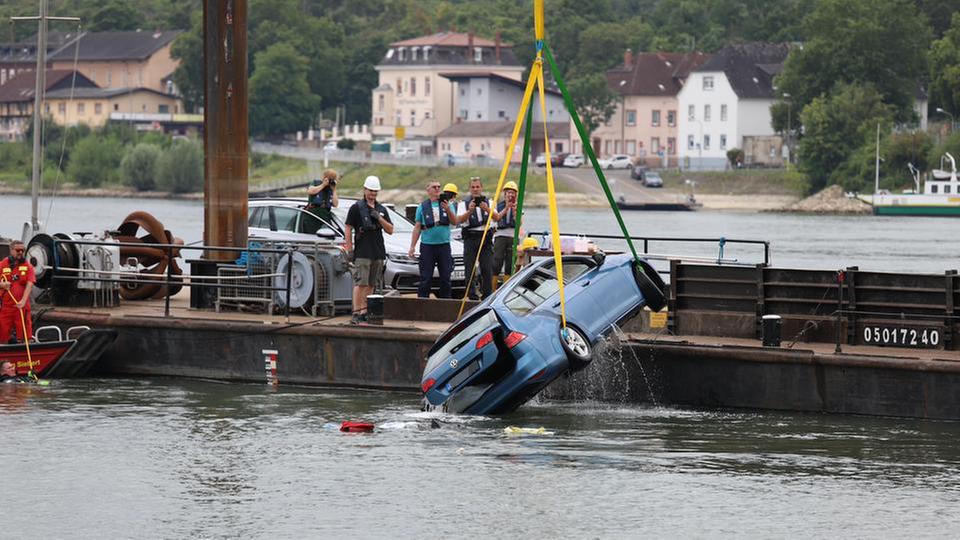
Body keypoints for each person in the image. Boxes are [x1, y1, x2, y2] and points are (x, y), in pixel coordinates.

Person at [344, 176, 394, 325]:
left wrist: (379, 218)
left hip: (377, 251)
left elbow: (390, 229)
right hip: (362, 252)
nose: (373, 193)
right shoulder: (356, 208)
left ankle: (365, 312)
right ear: (365, 190)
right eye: (370, 191)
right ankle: (356, 313)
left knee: (371, 284)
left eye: (375, 191)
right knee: (361, 283)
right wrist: (350, 248)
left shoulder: (382, 209)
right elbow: (348, 228)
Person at [409, 180, 459, 298]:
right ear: (428, 190)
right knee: (425, 277)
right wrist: (412, 246)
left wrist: (447, 209)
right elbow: (417, 227)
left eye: (438, 187)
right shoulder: (422, 207)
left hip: (444, 245)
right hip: (427, 246)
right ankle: (422, 302)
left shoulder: (448, 204)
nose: (437, 189)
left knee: (446, 277)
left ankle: (445, 303)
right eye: (434, 187)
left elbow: (454, 221)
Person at [457, 176, 494, 299]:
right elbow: (459, 220)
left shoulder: (490, 202)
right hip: (470, 237)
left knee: (487, 268)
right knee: (470, 268)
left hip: (485, 237)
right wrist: (469, 211)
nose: (475, 189)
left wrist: (486, 209)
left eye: (477, 187)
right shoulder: (463, 204)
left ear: (481, 188)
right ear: (469, 189)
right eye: (473, 187)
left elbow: (496, 218)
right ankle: (471, 295)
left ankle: (487, 295)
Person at [0, 240, 35, 344]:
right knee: (3, 332)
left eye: (23, 250)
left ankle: (24, 349)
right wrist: (2, 285)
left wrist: (23, 301)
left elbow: (30, 284)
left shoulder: (28, 266)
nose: (20, 252)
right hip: (6, 306)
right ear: (11, 250)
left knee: (24, 333)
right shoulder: (2, 264)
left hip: (21, 306)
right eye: (18, 250)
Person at [491, 181, 523, 280]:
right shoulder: (498, 205)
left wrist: (514, 212)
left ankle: (506, 288)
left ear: (516, 195)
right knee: (497, 262)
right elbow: (495, 219)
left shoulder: (518, 206)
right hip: (500, 235)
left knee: (510, 264)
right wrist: (506, 208)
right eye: (508, 192)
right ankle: (493, 289)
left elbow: (519, 223)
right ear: (504, 193)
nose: (510, 195)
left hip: (513, 236)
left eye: (512, 193)